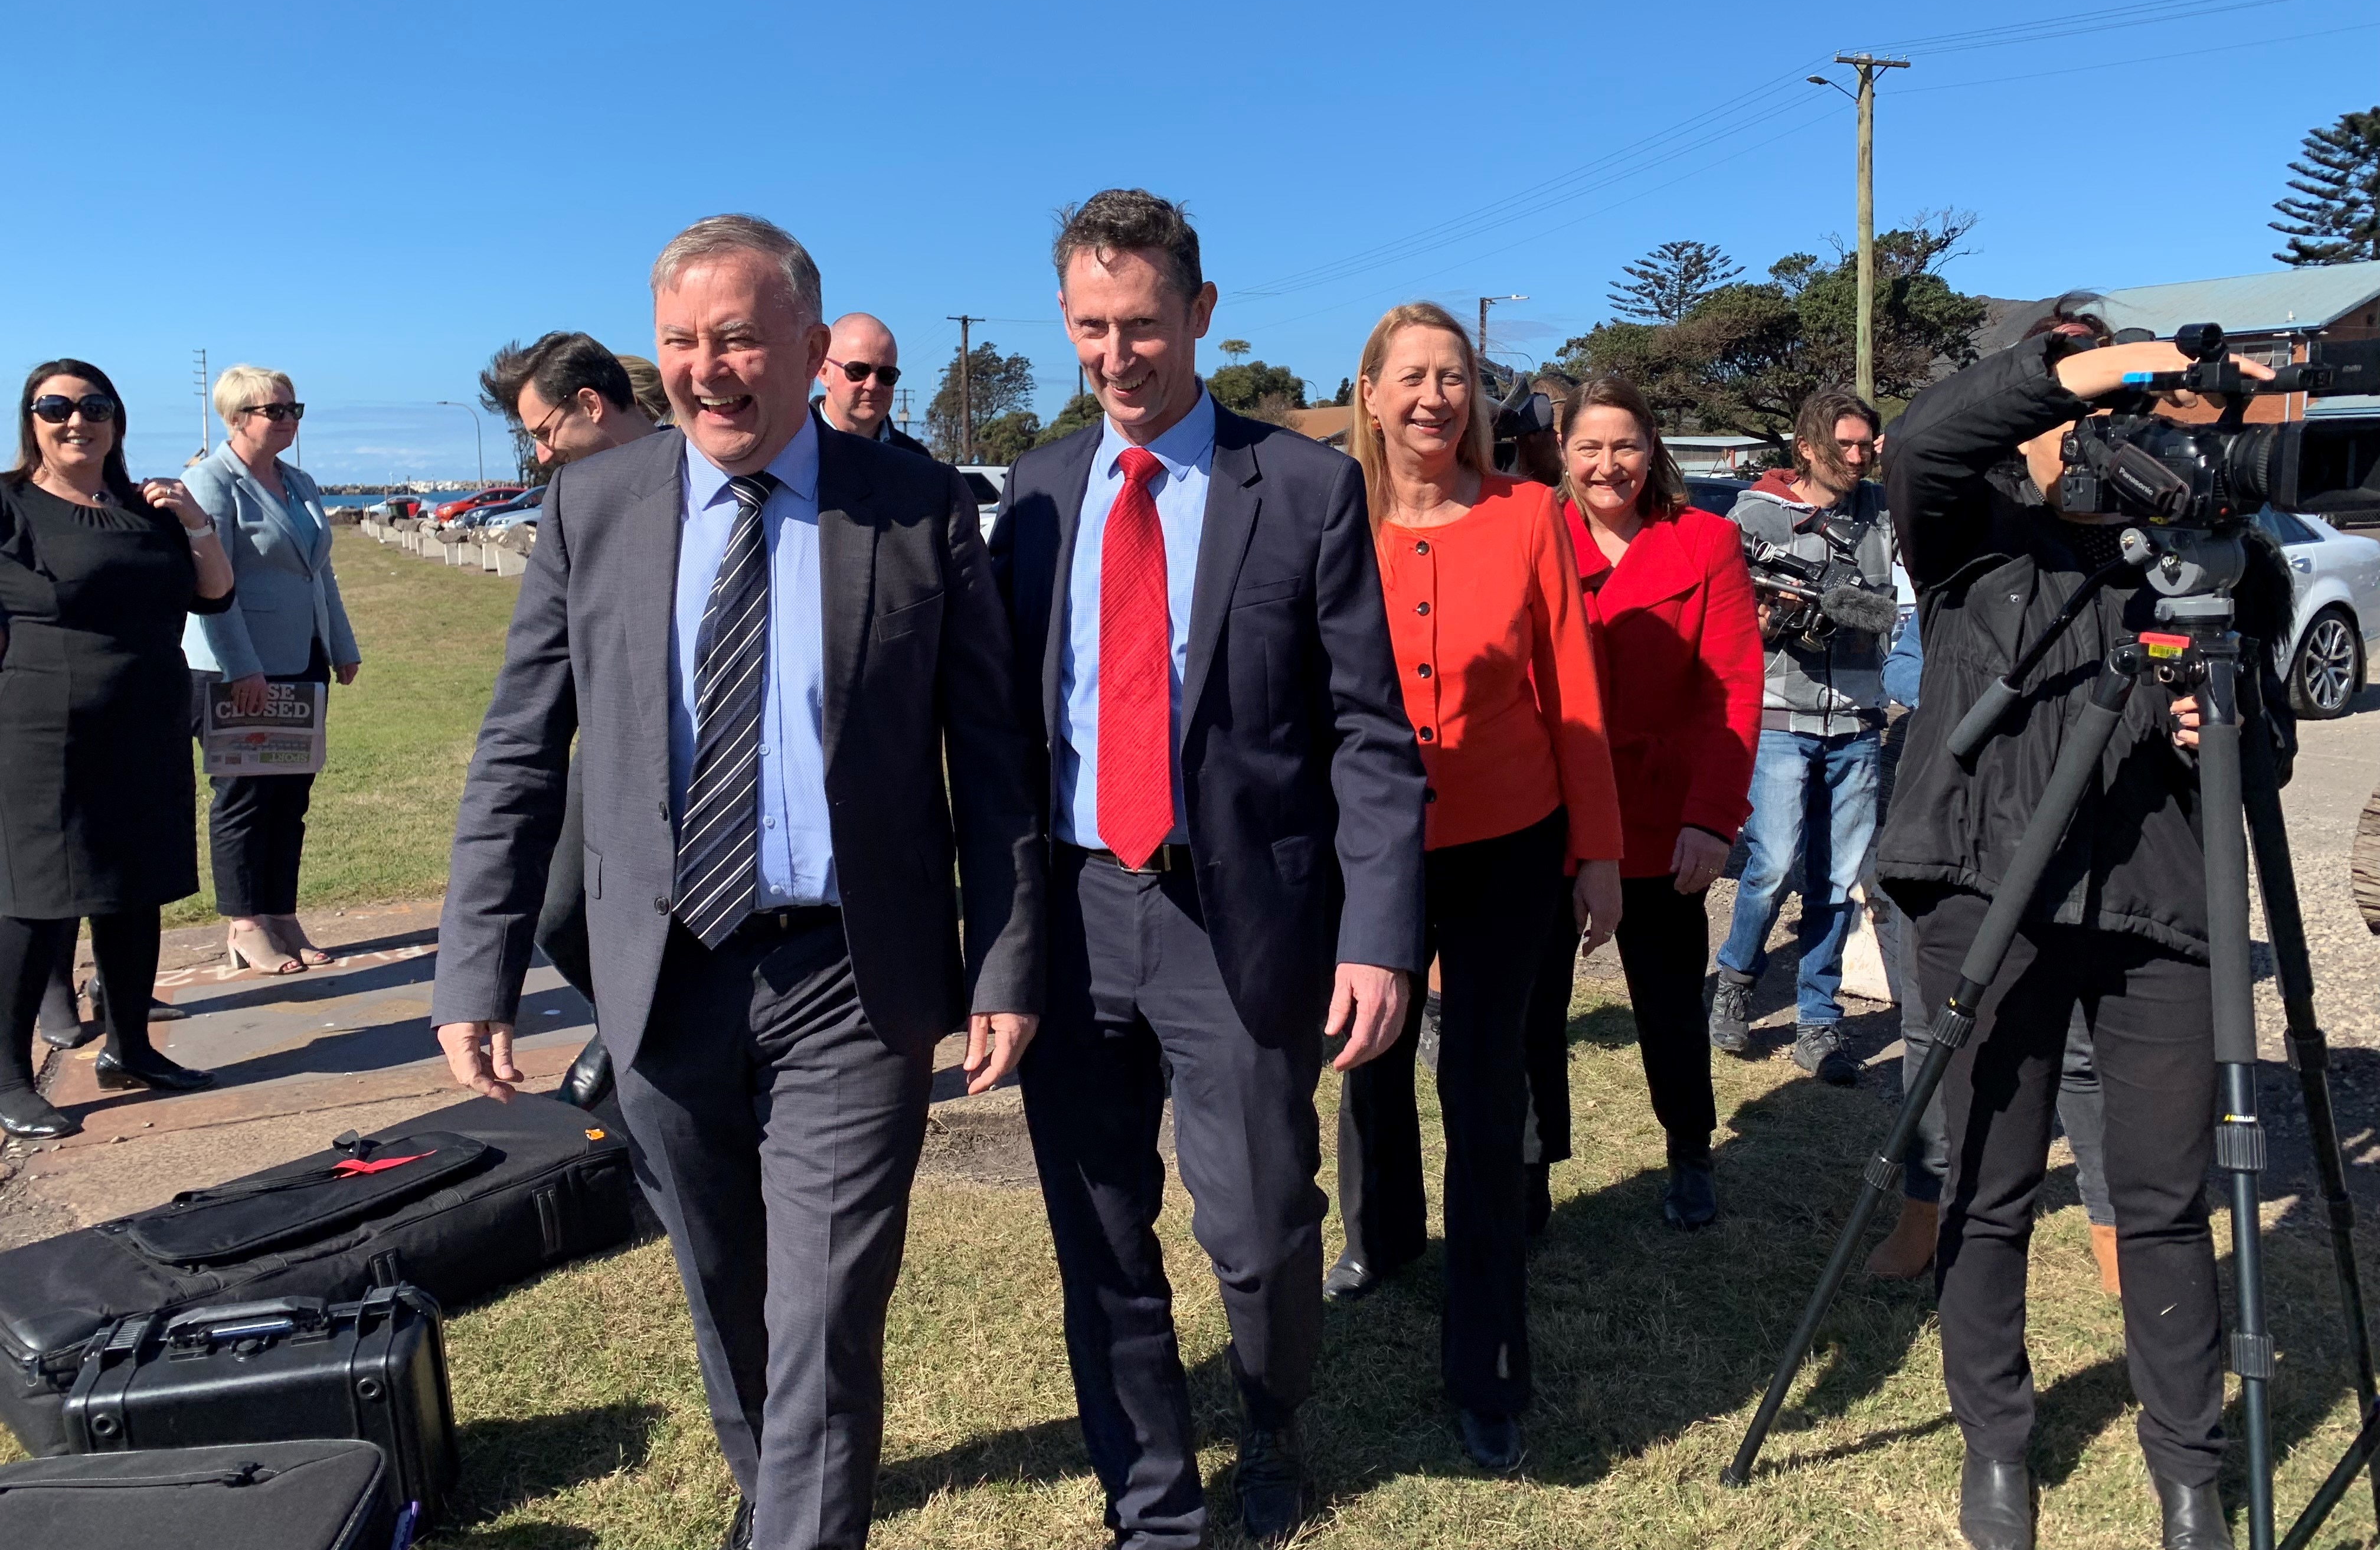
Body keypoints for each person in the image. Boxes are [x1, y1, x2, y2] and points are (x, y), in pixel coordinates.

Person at [432, 214, 1043, 1550]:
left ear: (814, 350)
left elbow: (993, 762)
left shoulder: (917, 508)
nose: (708, 370)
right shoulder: (595, 507)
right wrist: (474, 965)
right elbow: (521, 749)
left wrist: (1003, 960)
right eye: (681, 345)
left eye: (740, 340)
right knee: (726, 1296)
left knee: (824, 1314)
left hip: (848, 980)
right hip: (664, 982)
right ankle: (778, 1500)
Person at [990, 190, 1426, 1547]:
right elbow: (1000, 731)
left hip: (1233, 914)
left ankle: (1274, 1423)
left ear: (1201, 315)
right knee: (1100, 1224)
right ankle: (1152, 1496)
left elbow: (1371, 732)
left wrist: (1380, 936)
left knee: (1255, 1225)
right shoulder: (1035, 497)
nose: (1117, 356)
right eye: (1088, 329)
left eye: (1140, 326)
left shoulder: (1302, 488)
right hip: (1070, 907)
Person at [1877, 312, 2293, 1550]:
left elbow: (2268, 749)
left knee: (2165, 1202)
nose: (2097, 435)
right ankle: (1996, 1449)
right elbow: (1927, 436)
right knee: (1990, 1189)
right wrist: (2102, 368)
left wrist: (2213, 733)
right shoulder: (1968, 534)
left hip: (2159, 907)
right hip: (1981, 889)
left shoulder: (2212, 557)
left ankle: (2190, 1473)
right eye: (2072, 411)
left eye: (2118, 414)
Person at [1326, 303, 1623, 1470]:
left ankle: (1489, 1358)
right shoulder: (1332, 521)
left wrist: (1596, 847)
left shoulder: (1533, 515)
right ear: (1371, 394)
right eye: (1412, 378)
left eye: (1454, 378)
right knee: (1371, 1054)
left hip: (1510, 840)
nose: (1434, 398)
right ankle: (1383, 1234)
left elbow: (1576, 686)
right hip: (1369, 844)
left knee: (1489, 1090)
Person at [0, 361, 231, 1136]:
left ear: (116, 419)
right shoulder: (9, 505)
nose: (77, 420)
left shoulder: (145, 509)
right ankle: (6, 1080)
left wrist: (194, 518)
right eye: (56, 407)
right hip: (44, 738)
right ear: (30, 420)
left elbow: (215, 593)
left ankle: (131, 1047)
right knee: (35, 903)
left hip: (147, 729)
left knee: (136, 891)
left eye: (94, 405)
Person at [1552, 374, 1761, 1229]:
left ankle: (1689, 1151)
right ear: (1561, 452)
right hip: (1550, 813)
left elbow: (1736, 689)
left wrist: (1711, 818)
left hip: (1661, 815)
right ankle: (1531, 1167)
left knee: (1670, 1000)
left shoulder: (1705, 541)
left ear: (1653, 446)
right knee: (1533, 1010)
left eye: (1625, 445)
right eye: (1589, 447)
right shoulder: (1534, 536)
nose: (1609, 465)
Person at [1864, 609, 2121, 1293]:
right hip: (1947, 811)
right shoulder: (1962, 560)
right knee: (1928, 1030)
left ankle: (2110, 1221)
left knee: (2074, 1045)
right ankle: (1927, 1206)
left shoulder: (2095, 571)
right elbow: (1906, 668)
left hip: (2062, 812)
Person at [478, 331, 665, 1108]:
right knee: (561, 915)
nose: (545, 455)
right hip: (609, 751)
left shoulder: (711, 474)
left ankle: (648, 1045)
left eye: (546, 433)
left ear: (590, 405)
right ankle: (632, 1029)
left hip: (714, 760)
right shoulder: (571, 504)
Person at [1706, 387, 1895, 1085]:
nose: (1857, 456)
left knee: (1839, 880)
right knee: (1773, 864)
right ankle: (1735, 981)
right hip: (1782, 714)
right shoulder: (1755, 514)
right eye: (1842, 445)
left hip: (1858, 718)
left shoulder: (1880, 510)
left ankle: (1818, 1019)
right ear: (1807, 447)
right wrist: (1773, 618)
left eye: (1864, 444)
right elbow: (1727, 618)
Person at [182, 366, 362, 975]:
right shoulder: (210, 483)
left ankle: (282, 914)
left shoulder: (300, 482)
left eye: (294, 409)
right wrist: (243, 669)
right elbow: (212, 588)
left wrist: (340, 644)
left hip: (301, 657)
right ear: (237, 418)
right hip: (237, 664)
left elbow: (319, 572)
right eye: (275, 411)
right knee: (245, 798)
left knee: (292, 797)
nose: (288, 420)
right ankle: (245, 924)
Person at [485, 330, 659, 471]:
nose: (542, 457)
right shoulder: (566, 503)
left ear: (590, 405)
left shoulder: (685, 470)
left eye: (544, 433)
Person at [815, 314, 931, 456]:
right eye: (859, 370)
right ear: (824, 373)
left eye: (887, 374)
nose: (873, 385)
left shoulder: (917, 462)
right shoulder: (789, 449)